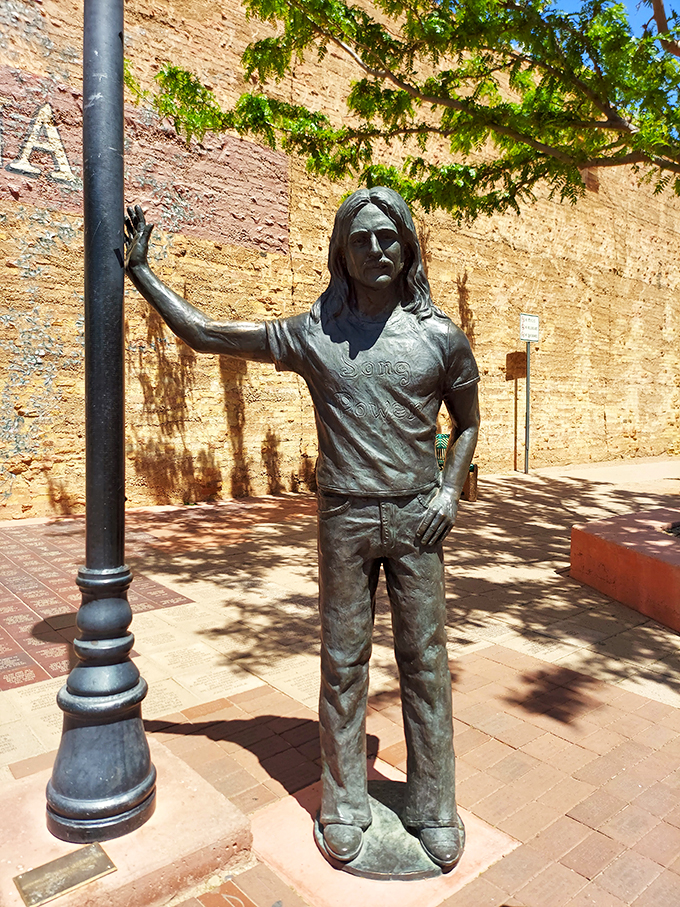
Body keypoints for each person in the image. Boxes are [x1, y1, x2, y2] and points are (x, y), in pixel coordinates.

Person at [125, 187, 480, 871]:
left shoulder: (440, 338)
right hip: (344, 518)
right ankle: (344, 804)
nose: (376, 249)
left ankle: (434, 804)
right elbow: (208, 333)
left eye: (388, 237)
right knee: (343, 663)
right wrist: (142, 274)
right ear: (341, 254)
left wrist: (447, 491)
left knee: (426, 665)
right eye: (362, 239)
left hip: (417, 520)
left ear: (407, 246)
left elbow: (468, 423)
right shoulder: (316, 335)